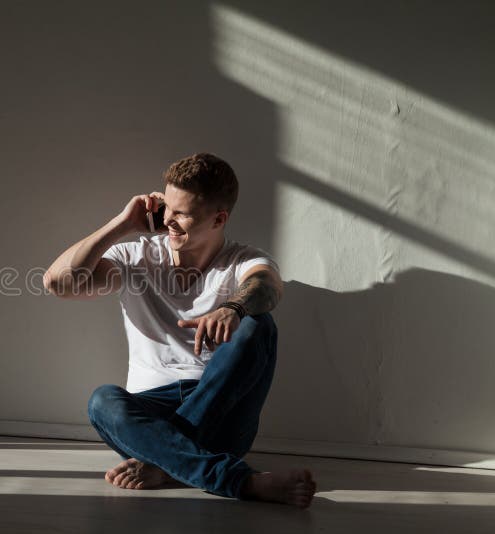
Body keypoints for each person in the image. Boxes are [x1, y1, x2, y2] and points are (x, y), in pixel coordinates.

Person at [43, 153, 317, 507]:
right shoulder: (137, 255)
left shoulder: (243, 260)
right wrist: (122, 224)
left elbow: (268, 285)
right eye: (166, 208)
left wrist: (232, 308)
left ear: (219, 218)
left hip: (223, 410)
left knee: (258, 325)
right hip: (151, 411)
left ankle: (166, 461)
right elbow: (57, 283)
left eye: (182, 214)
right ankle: (236, 480)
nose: (168, 220)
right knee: (102, 402)